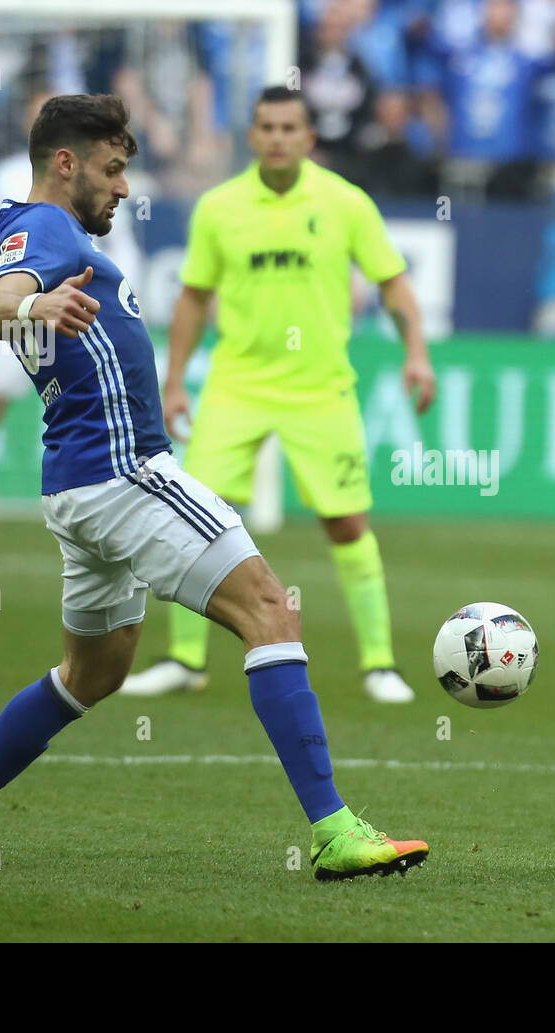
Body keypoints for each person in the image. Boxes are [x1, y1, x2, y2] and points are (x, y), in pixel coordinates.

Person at [0, 94, 429, 881]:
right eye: (112, 170)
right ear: (67, 164)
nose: (123, 188)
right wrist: (35, 300)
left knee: (93, 674)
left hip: (73, 488)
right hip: (126, 471)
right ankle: (335, 831)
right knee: (273, 611)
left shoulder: (15, 223)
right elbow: (4, 307)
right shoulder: (47, 229)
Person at [120, 86, 435, 704]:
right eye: (267, 126)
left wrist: (417, 353)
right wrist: (176, 379)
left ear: (310, 138)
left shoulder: (345, 203)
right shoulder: (219, 207)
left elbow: (393, 284)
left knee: (346, 522)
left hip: (321, 388)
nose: (279, 137)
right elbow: (193, 296)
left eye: (291, 127)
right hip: (237, 383)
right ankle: (186, 659)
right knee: (193, 521)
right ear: (252, 137)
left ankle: (378, 664)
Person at [0, 88, 143, 557]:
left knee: (102, 408)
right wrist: (27, 305)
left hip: (81, 308)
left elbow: (122, 243)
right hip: (19, 304)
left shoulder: (104, 176)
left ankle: (105, 510)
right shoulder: (11, 177)